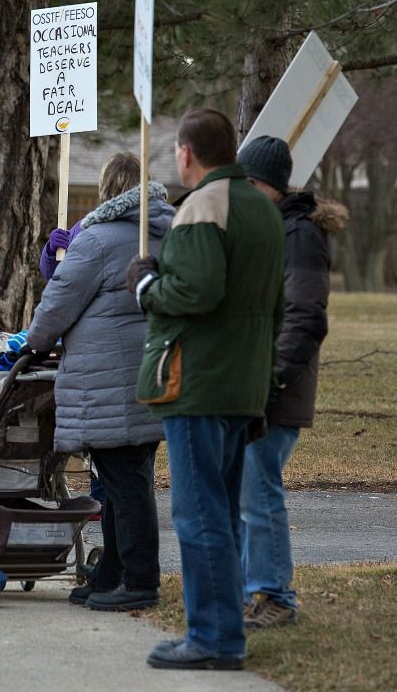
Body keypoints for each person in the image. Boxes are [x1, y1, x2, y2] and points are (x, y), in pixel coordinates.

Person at [126, 108, 285, 670]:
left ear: (186, 154)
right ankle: (221, 632)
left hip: (196, 381)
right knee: (222, 513)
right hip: (243, 384)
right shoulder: (265, 212)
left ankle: (214, 638)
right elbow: (275, 308)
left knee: (200, 517)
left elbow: (196, 291)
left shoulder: (202, 206)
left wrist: (147, 284)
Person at [26, 152, 173, 612]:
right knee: (122, 481)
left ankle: (140, 579)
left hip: (109, 380)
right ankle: (112, 572)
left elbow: (59, 301)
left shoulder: (97, 240)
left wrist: (33, 343)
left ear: (107, 189)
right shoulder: (164, 234)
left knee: (124, 486)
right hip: (152, 372)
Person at [236, 136, 345, 628]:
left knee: (260, 495)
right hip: (256, 384)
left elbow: (305, 319)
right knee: (247, 494)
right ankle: (249, 592)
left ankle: (276, 596)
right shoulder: (273, 228)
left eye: (248, 184)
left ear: (267, 186)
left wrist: (270, 381)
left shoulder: (299, 236)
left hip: (275, 390)